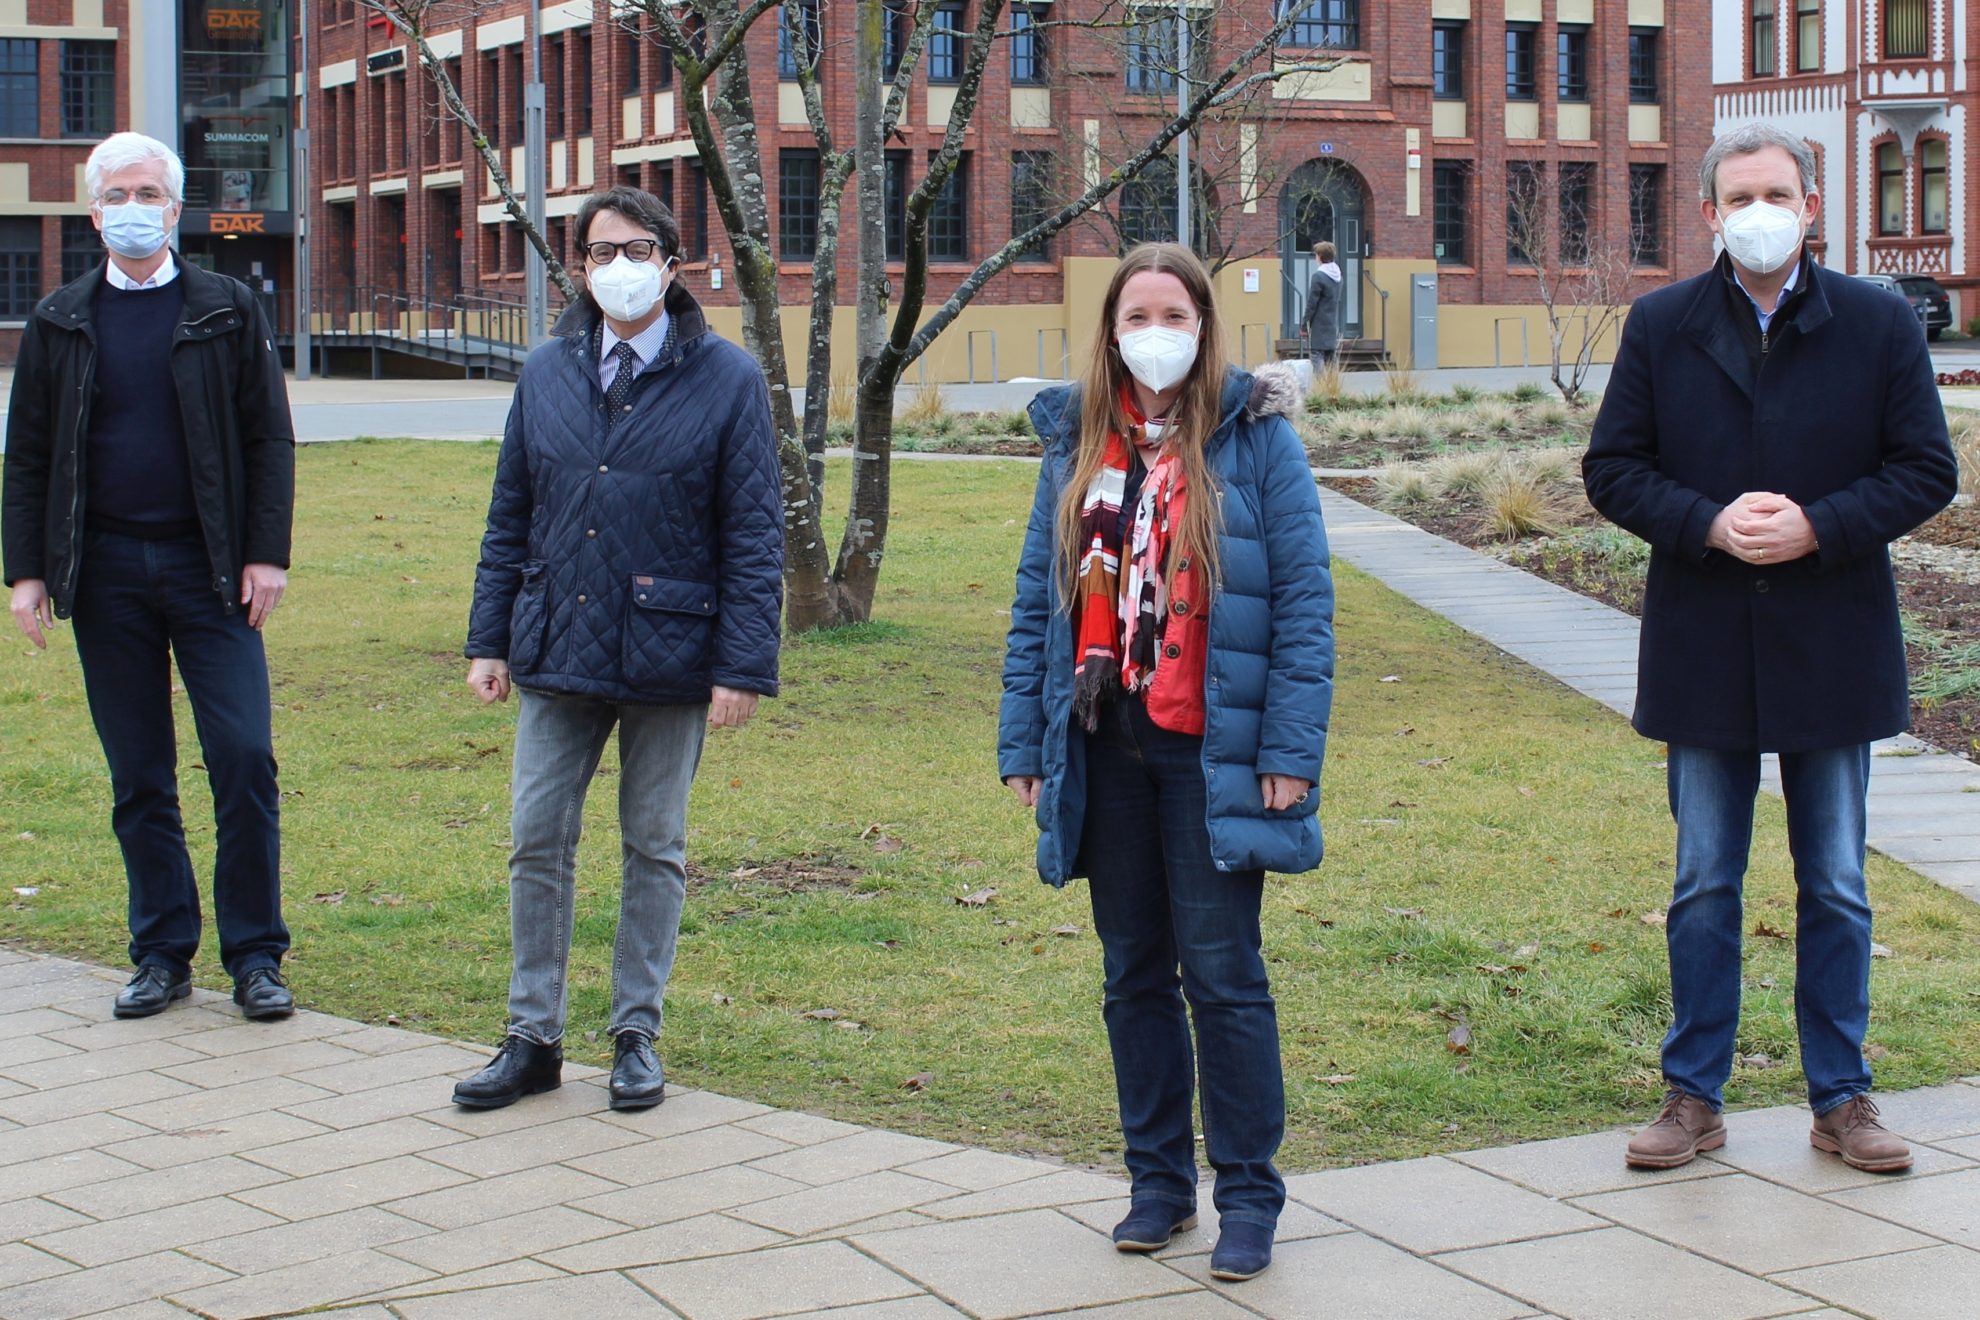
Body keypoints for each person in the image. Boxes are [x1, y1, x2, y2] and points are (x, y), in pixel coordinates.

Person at [1584, 123, 1957, 1174]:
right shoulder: (1663, 324)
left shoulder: (1879, 324)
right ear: (1708, 213)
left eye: (1777, 193)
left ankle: (1842, 1096)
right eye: (1738, 195)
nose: (1759, 212)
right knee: (1705, 876)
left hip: (1832, 639)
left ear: (1812, 206)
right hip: (1703, 641)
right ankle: (1692, 1096)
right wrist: (1704, 520)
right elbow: (1613, 467)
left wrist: (1819, 525)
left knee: (1836, 880)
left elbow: (1926, 470)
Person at [999, 242, 1334, 1280]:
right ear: (1110, 331)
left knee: (1225, 977)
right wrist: (1025, 741)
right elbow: (1032, 610)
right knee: (1133, 973)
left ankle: (1248, 1196)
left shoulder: (1257, 443)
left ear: (1203, 328)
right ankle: (1157, 1185)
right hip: (1106, 747)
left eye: (1174, 315)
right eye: (1136, 314)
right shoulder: (1077, 445)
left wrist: (1288, 752)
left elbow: (1305, 611)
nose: (1155, 333)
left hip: (1213, 751)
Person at [452, 186, 782, 1113]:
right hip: (556, 638)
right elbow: (510, 511)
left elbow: (754, 533)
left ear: (672, 264)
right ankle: (532, 1035)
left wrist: (743, 664)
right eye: (600, 252)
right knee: (535, 837)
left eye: (636, 250)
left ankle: (636, 1031)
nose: (618, 268)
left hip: (672, 650)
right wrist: (489, 639)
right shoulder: (549, 370)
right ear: (580, 266)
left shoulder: (728, 378)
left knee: (655, 844)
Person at [3, 132, 297, 1022]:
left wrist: (265, 551)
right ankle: (162, 949)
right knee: (140, 772)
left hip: (211, 572)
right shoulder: (60, 319)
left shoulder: (226, 308)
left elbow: (266, 437)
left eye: (149, 193)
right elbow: (28, 457)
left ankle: (255, 955)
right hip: (107, 575)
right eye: (117, 194)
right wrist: (26, 574)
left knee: (242, 756)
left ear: (175, 209)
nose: (134, 208)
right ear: (94, 213)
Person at [1304, 241, 1342, 371]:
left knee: (1316, 356)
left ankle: (1320, 387)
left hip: (1319, 325)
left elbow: (1312, 303)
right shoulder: (1338, 276)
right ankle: (1332, 387)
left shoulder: (1318, 276)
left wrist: (1304, 323)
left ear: (1320, 256)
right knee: (1331, 358)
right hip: (1332, 324)